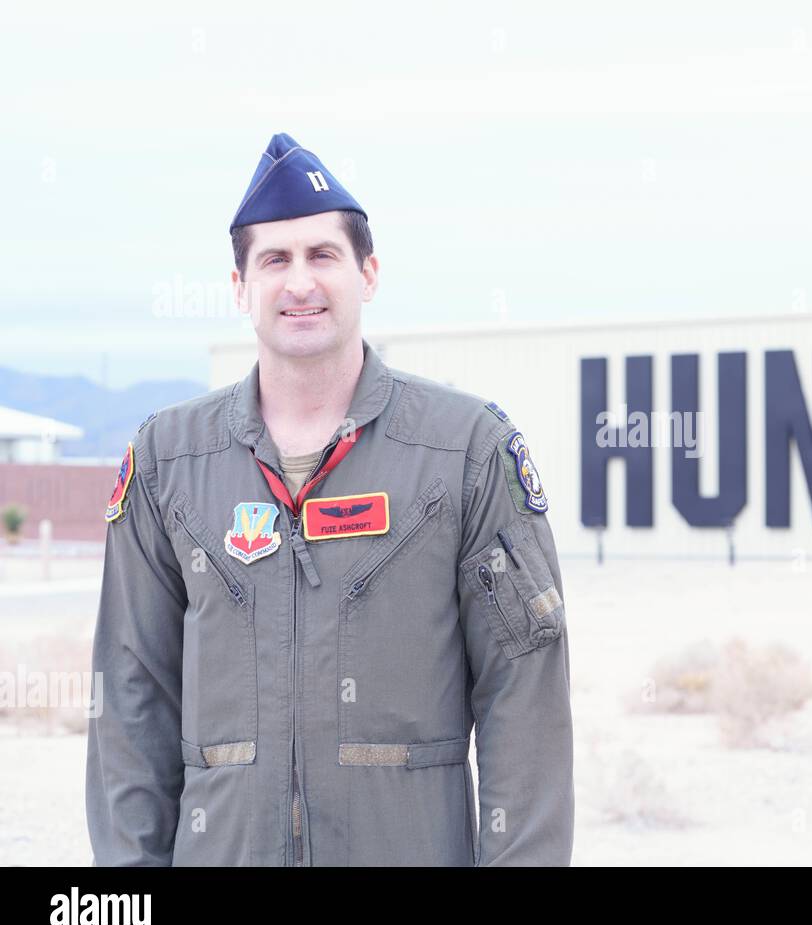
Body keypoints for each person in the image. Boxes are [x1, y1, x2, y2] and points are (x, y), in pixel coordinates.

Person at [85, 132, 574, 866]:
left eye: (322, 255)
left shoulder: (465, 451)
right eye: (274, 260)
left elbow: (524, 697)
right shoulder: (167, 461)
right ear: (240, 286)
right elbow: (131, 699)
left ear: (367, 273)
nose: (300, 282)